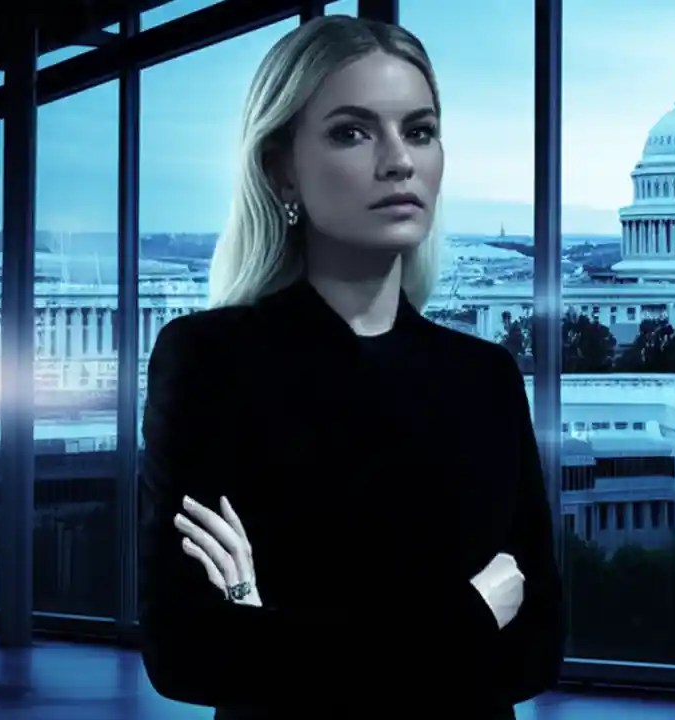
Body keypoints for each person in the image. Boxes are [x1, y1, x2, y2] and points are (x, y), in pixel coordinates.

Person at [137, 14, 564, 720]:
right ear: (281, 169)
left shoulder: (485, 378)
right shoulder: (212, 363)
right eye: (353, 131)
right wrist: (465, 614)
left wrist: (271, 619)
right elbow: (192, 652)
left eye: (419, 131)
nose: (399, 161)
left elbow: (537, 648)